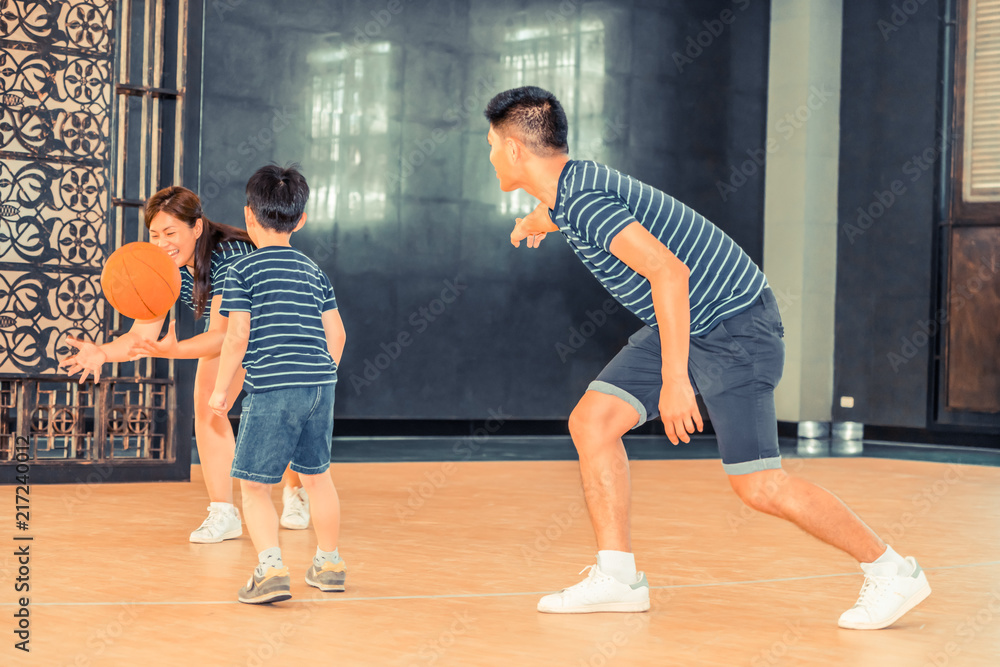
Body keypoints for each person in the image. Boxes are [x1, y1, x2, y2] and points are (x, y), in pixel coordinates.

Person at [482, 86, 931, 629]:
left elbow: (669, 272)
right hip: (691, 322)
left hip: (736, 329)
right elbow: (595, 221)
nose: (488, 156)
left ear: (513, 151)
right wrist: (540, 220)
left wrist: (675, 380)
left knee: (759, 484)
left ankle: (891, 571)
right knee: (594, 422)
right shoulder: (572, 189)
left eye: (490, 144)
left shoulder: (581, 198)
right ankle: (618, 577)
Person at [60, 186, 312, 542]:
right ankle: (224, 512)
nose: (162, 243)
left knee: (279, 411)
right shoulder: (161, 267)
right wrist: (102, 352)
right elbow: (141, 336)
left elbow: (225, 336)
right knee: (209, 403)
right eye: (155, 234)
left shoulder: (232, 254)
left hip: (279, 328)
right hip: (237, 333)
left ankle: (295, 488)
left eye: (170, 233)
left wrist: (173, 351)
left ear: (196, 228)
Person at [208, 164, 347, 604]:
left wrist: (220, 391)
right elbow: (338, 335)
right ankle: (329, 564)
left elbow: (236, 337)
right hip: (319, 387)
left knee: (253, 486)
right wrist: (323, 375)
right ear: (301, 219)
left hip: (272, 389)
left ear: (249, 216)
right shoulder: (313, 271)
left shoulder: (242, 272)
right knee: (317, 478)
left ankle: (270, 569)